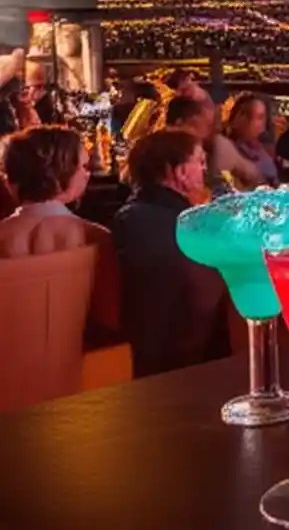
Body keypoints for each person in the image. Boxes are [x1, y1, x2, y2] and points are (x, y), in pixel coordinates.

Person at [112, 129, 230, 378]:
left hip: (145, 358)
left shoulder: (131, 217)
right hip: (186, 361)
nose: (204, 170)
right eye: (199, 162)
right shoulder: (188, 225)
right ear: (179, 172)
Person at [0, 126, 121, 333]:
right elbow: (109, 318)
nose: (87, 174)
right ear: (61, 174)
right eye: (83, 166)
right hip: (73, 360)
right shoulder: (96, 237)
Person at [214, 93, 277, 190]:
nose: (250, 120)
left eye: (260, 117)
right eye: (244, 113)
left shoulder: (267, 151)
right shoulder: (223, 147)